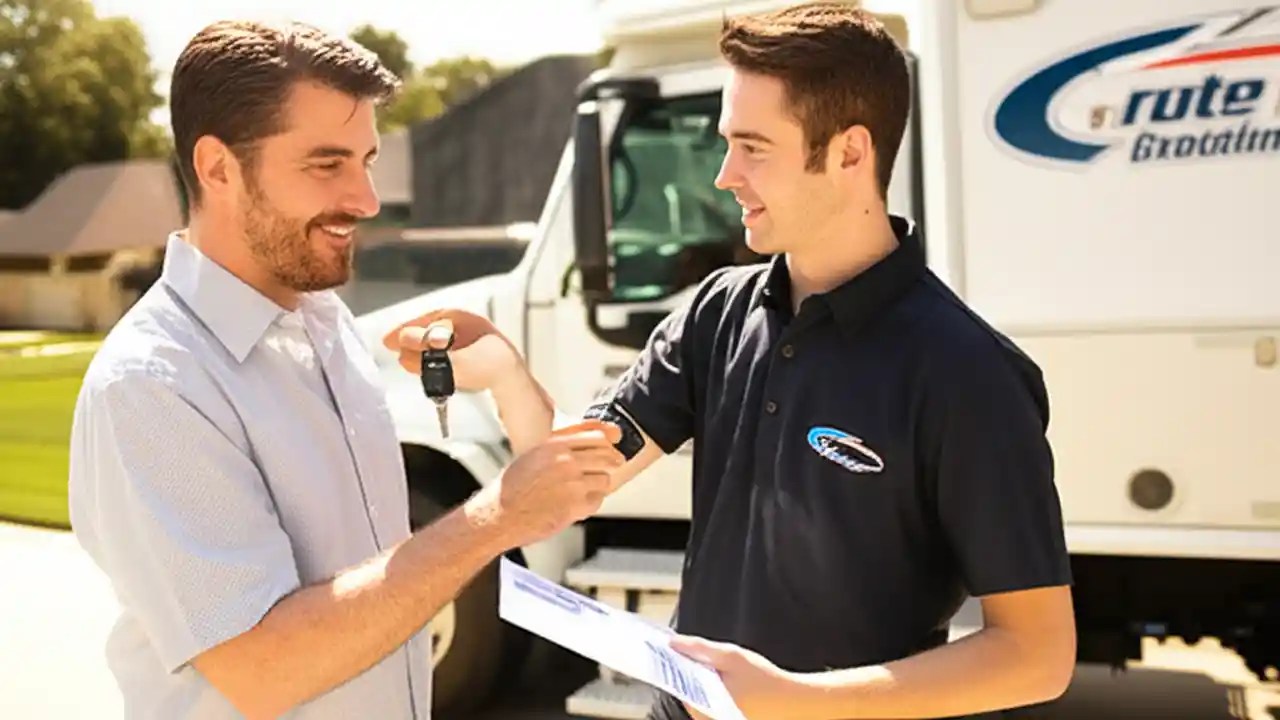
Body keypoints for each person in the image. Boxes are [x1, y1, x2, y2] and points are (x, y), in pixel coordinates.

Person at [390, 4, 1079, 719]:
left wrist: (792, 701)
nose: (724, 176)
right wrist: (505, 373)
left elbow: (1037, 655)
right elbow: (568, 486)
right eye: (727, 144)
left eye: (753, 148)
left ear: (849, 153)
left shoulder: (968, 373)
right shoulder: (719, 311)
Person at [67, 20, 625, 720]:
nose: (365, 199)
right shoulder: (154, 386)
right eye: (327, 165)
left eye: (366, 160)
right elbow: (264, 667)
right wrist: (495, 517)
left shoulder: (326, 323)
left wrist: (507, 376)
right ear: (218, 169)